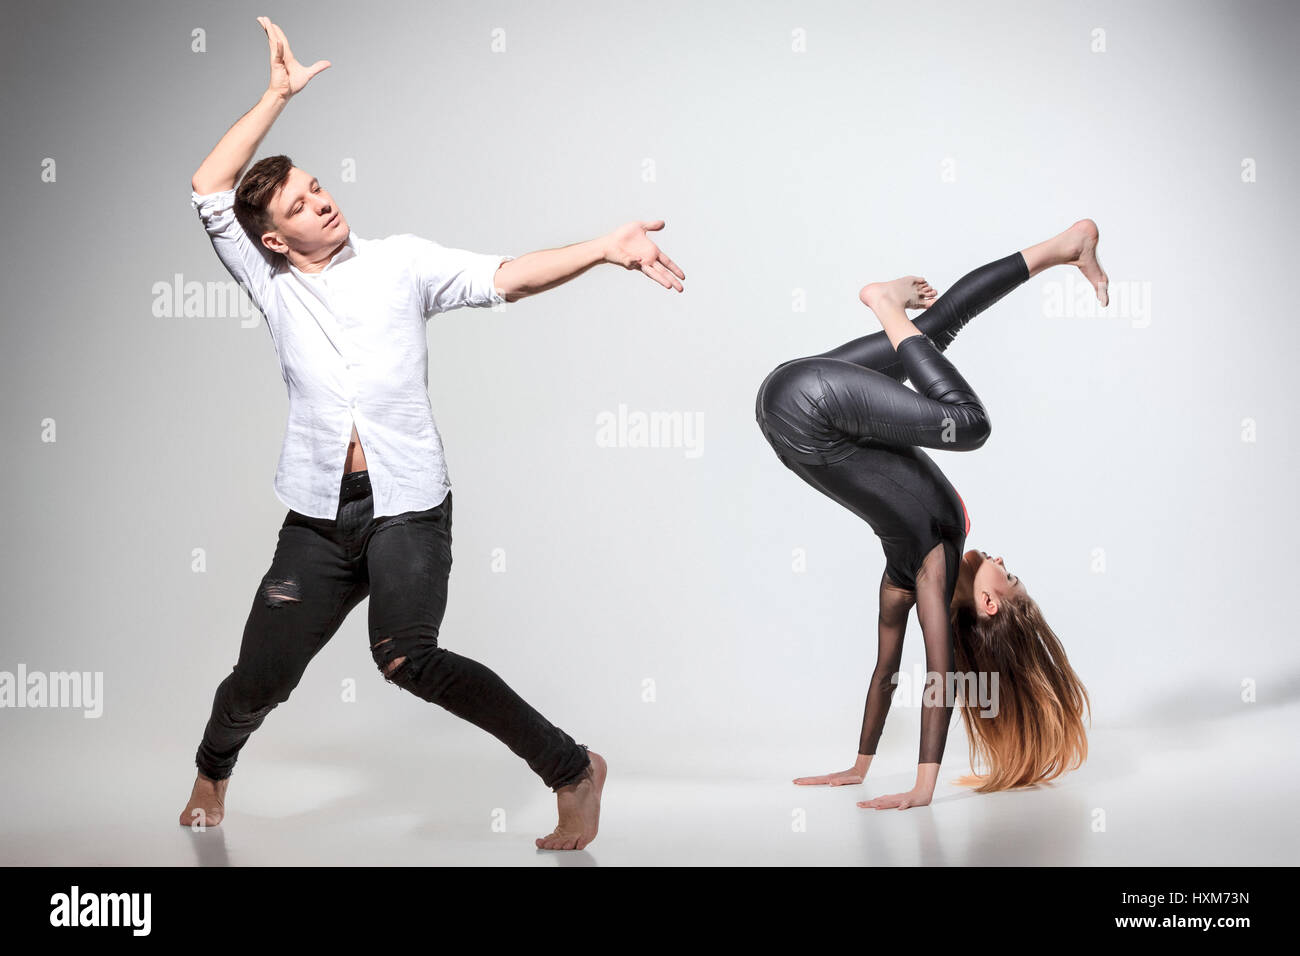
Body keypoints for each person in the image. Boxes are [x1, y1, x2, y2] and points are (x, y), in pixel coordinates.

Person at [180, 17, 685, 851]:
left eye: (317, 184)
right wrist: (276, 95)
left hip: (409, 504)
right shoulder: (270, 285)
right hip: (317, 515)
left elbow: (506, 278)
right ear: (275, 239)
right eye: (298, 204)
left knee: (407, 655)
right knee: (258, 682)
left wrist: (603, 247)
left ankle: (573, 770)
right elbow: (207, 184)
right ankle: (213, 767)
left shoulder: (401, 263)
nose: (320, 199)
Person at [754, 221, 1099, 809]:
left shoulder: (933, 564)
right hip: (793, 406)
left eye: (1008, 579)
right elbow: (885, 668)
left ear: (989, 604)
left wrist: (922, 784)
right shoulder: (903, 579)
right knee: (934, 331)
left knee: (970, 425)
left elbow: (929, 672)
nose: (1005, 565)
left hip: (809, 407)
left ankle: (884, 303)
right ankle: (1062, 247)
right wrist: (859, 766)